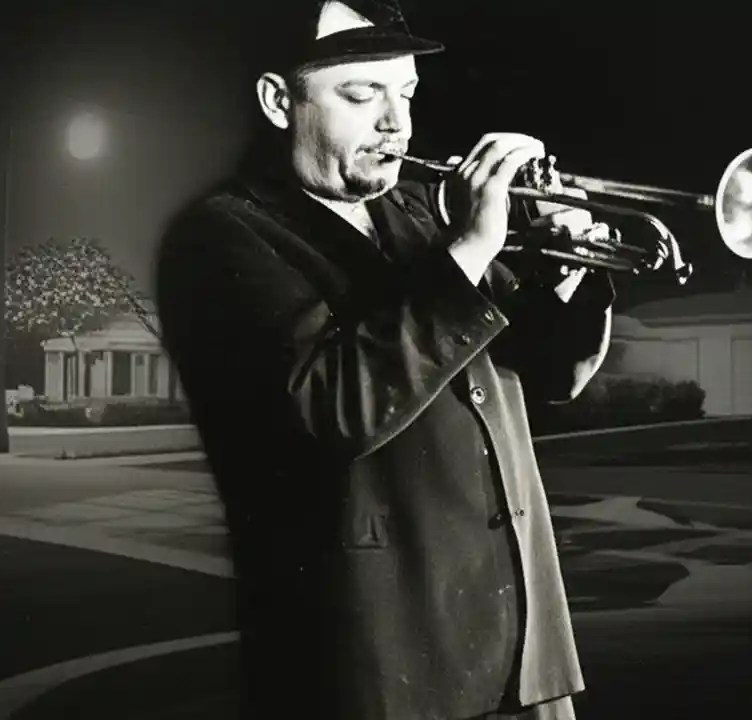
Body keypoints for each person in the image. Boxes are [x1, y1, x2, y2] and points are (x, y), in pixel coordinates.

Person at [155, 1, 615, 717]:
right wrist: (469, 252)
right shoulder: (223, 239)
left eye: (405, 94)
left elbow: (553, 376)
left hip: (524, 653)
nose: (395, 123)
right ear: (281, 102)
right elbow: (330, 409)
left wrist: (569, 271)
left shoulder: (422, 216)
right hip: (385, 665)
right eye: (362, 94)